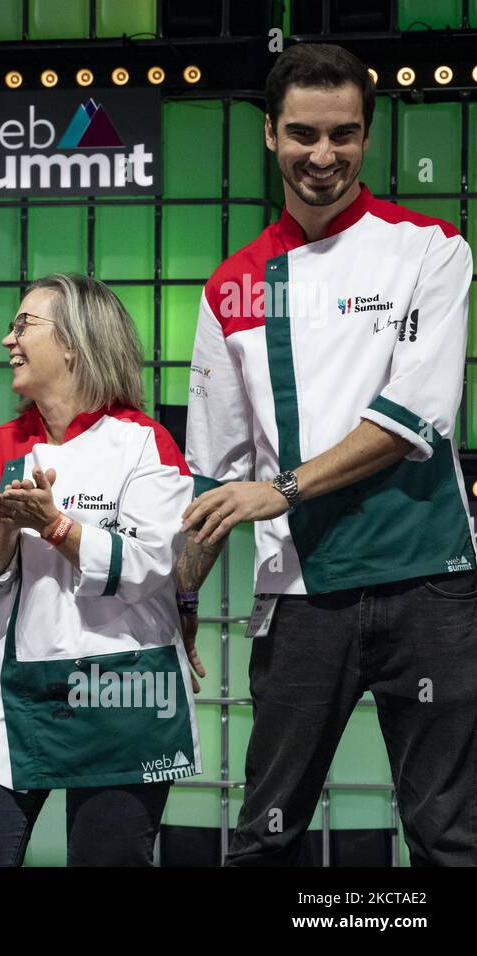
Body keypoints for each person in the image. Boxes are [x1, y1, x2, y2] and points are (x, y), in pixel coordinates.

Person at [179, 43, 477, 865]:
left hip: (430, 582)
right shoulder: (231, 284)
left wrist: (283, 489)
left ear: (367, 137)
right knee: (264, 837)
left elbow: (416, 414)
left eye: (344, 134)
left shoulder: (433, 248)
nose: (324, 155)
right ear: (270, 134)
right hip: (303, 595)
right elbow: (214, 468)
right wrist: (180, 595)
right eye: (304, 134)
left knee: (449, 836)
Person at [0, 274, 202, 867]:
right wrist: (6, 525)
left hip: (125, 693)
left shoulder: (146, 443)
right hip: (13, 697)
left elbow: (149, 563)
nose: (8, 339)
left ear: (75, 344)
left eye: (23, 325)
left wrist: (57, 527)